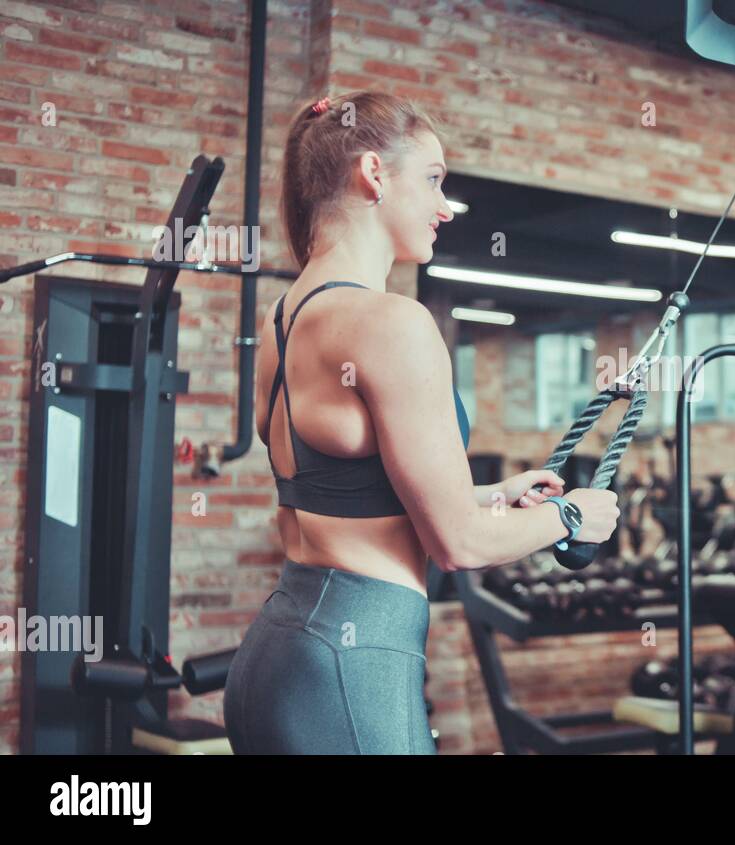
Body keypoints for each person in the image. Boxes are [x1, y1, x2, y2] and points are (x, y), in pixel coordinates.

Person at [222, 91, 620, 754]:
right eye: (433, 179)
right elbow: (457, 545)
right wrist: (574, 516)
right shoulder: (392, 324)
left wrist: (494, 494)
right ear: (374, 174)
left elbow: (360, 496)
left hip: (277, 655)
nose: (445, 206)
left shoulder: (281, 322)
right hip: (355, 667)